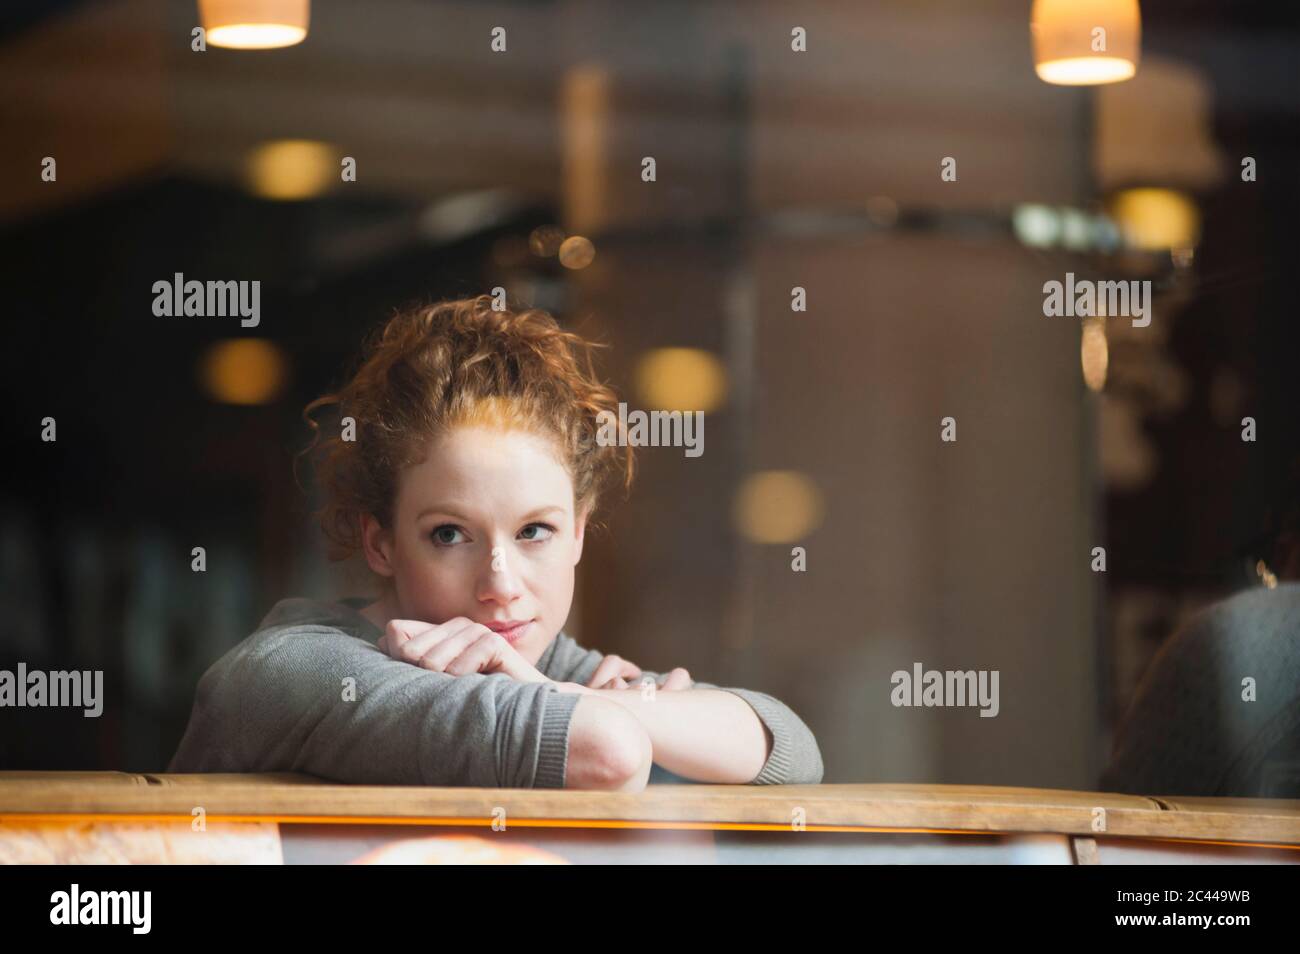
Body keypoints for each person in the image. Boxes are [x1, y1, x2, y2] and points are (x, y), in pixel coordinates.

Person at [168, 295, 823, 791]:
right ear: (381, 544)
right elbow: (608, 751)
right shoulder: (288, 672)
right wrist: (620, 712)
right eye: (449, 534)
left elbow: (790, 751)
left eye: (535, 530)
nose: (501, 584)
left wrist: (562, 692)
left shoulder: (550, 669)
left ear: (579, 533)